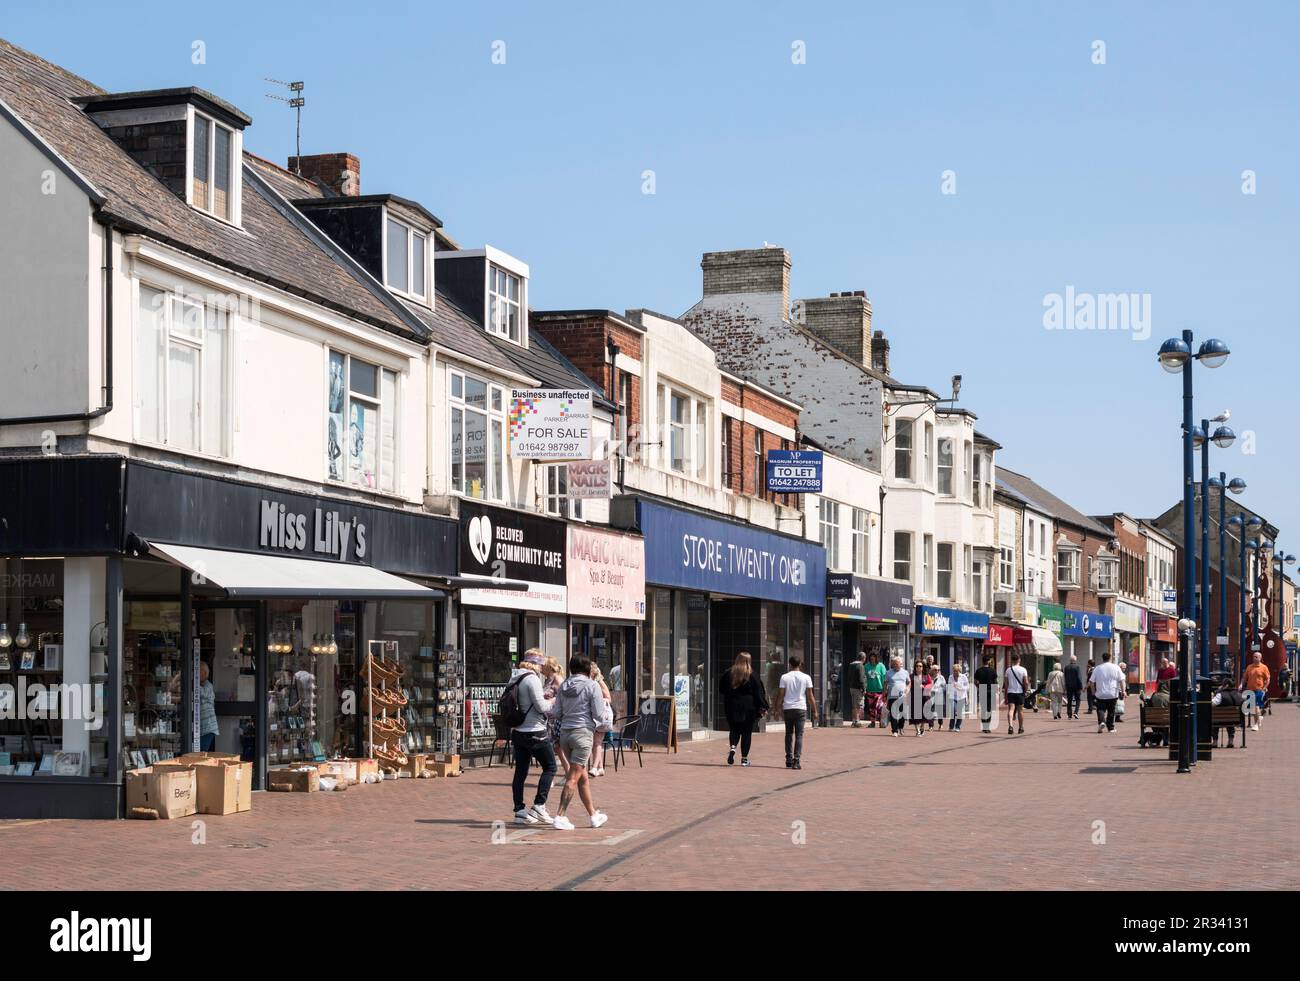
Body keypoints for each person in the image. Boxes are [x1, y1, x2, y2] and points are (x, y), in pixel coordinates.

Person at [550, 654, 609, 831]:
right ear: (588, 669)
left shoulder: (564, 685)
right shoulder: (592, 686)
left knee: (582, 776)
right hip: (583, 734)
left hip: (565, 734)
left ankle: (593, 815)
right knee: (574, 777)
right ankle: (560, 815)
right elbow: (599, 714)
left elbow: (557, 713)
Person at [508, 650, 557, 826]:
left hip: (518, 731)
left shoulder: (515, 677)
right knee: (550, 767)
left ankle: (519, 810)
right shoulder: (532, 679)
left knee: (520, 772)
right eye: (541, 664)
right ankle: (539, 804)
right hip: (535, 731)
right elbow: (542, 706)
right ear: (537, 664)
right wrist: (553, 700)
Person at [720, 652, 768, 766]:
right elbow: (758, 692)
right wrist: (763, 706)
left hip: (731, 705)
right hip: (748, 706)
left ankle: (732, 748)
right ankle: (744, 759)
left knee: (734, 729)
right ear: (749, 661)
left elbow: (721, 689)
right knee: (746, 733)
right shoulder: (752, 675)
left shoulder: (728, 673)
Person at [778, 654, 817, 769]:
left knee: (788, 734)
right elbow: (810, 696)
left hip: (788, 708)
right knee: (799, 735)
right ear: (800, 664)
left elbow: (781, 694)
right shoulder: (806, 677)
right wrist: (815, 710)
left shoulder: (784, 677)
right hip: (800, 708)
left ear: (789, 664)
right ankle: (797, 760)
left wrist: (776, 708)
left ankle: (788, 759)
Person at [1089, 650, 1126, 733]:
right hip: (1113, 693)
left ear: (1102, 659)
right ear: (1110, 658)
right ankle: (1111, 728)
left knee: (1100, 709)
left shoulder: (1097, 668)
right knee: (1111, 711)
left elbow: (1091, 682)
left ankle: (1102, 722)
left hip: (1101, 693)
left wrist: (1093, 692)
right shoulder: (1116, 667)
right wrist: (1123, 691)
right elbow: (1121, 680)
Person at [588, 664, 614, 777]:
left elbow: (608, 698)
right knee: (595, 743)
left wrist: (598, 700)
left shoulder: (599, 682)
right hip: (592, 716)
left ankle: (594, 768)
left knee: (597, 742)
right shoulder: (589, 682)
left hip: (601, 716)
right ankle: (600, 767)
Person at [1212, 678, 1248, 746]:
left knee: (1214, 721)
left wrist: (1219, 691)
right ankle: (1230, 741)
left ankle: (1215, 742)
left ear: (1226, 686)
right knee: (1230, 721)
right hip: (1236, 720)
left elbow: (1212, 704)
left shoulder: (1220, 695)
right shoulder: (1239, 695)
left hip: (1219, 720)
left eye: (1223, 685)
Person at [1242, 651, 1270, 731]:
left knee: (1255, 707)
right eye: (1254, 656)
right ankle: (1259, 719)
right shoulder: (1249, 667)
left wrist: (1264, 687)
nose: (1254, 658)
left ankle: (1256, 724)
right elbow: (1244, 677)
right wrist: (1241, 684)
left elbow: (1268, 679)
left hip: (1259, 690)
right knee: (1253, 708)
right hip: (1250, 690)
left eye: (1256, 657)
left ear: (1260, 658)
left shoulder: (1264, 667)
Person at [1004, 652, 1030, 735]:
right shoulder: (1023, 669)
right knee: (1020, 710)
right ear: (1019, 660)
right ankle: (1020, 727)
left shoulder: (1008, 670)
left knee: (1011, 709)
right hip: (1020, 692)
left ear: (1012, 660)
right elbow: (1026, 682)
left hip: (1011, 692)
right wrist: (1026, 690)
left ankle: (1010, 726)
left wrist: (1006, 694)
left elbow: (1006, 683)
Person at [198, 661, 220, 752]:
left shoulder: (208, 685)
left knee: (202, 752)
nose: (194, 673)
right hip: (201, 727)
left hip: (208, 727)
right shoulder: (200, 685)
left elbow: (202, 693)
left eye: (197, 671)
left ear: (204, 673)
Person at [885, 655, 910, 737]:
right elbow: (885, 683)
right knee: (893, 714)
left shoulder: (905, 672)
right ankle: (894, 731)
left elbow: (909, 682)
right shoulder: (888, 672)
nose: (895, 665)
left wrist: (907, 688)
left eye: (897, 664)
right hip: (892, 696)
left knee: (903, 713)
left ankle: (900, 727)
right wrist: (883, 693)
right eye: (894, 664)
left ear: (901, 664)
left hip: (902, 696)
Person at [974, 655, 998, 733]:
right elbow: (995, 682)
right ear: (988, 661)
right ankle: (987, 727)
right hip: (991, 690)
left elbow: (976, 682)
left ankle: (984, 726)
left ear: (982, 661)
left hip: (982, 690)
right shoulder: (993, 670)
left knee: (983, 709)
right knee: (989, 709)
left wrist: (979, 686)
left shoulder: (978, 670)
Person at [865, 651, 887, 728]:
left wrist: (885, 690)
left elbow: (885, 678)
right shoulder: (866, 666)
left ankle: (882, 721)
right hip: (870, 690)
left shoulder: (881, 666)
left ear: (877, 658)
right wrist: (864, 688)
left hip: (880, 690)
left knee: (879, 706)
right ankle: (873, 722)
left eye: (874, 657)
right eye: (871, 657)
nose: (872, 659)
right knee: (871, 708)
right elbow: (865, 678)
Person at [909, 658, 930, 737]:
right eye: (917, 666)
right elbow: (908, 685)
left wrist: (924, 686)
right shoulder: (911, 676)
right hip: (914, 697)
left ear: (923, 667)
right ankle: (917, 731)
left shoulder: (926, 676)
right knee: (915, 714)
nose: (918, 667)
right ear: (915, 667)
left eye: (920, 666)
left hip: (924, 697)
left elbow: (930, 684)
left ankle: (922, 727)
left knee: (923, 714)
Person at [847, 652, 867, 727]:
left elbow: (848, 677)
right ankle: (857, 721)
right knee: (858, 705)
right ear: (863, 658)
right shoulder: (860, 666)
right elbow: (861, 678)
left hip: (852, 687)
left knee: (854, 705)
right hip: (858, 688)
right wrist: (863, 688)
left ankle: (854, 720)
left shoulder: (851, 665)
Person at [947, 662, 969, 730]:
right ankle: (951, 726)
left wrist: (960, 688)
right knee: (953, 711)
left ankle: (957, 727)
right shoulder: (950, 677)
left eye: (956, 671)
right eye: (954, 670)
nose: (955, 672)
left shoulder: (963, 677)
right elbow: (949, 686)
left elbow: (967, 686)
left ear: (959, 671)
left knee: (959, 713)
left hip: (961, 697)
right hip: (953, 697)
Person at [1064, 654, 1084, 720]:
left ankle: (1069, 715)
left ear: (1070, 660)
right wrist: (1081, 686)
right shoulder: (1077, 667)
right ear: (1075, 660)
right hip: (1077, 686)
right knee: (1078, 700)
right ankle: (1076, 712)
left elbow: (1065, 677)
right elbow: (1079, 678)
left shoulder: (1066, 667)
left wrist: (1065, 686)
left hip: (1069, 686)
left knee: (1069, 701)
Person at [928, 664, 946, 731]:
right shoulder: (929, 677)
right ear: (932, 670)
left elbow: (944, 687)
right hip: (931, 695)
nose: (937, 671)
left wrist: (939, 690)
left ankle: (940, 724)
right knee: (931, 711)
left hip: (939, 695)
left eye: (938, 670)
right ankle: (931, 726)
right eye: (935, 670)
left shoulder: (941, 677)